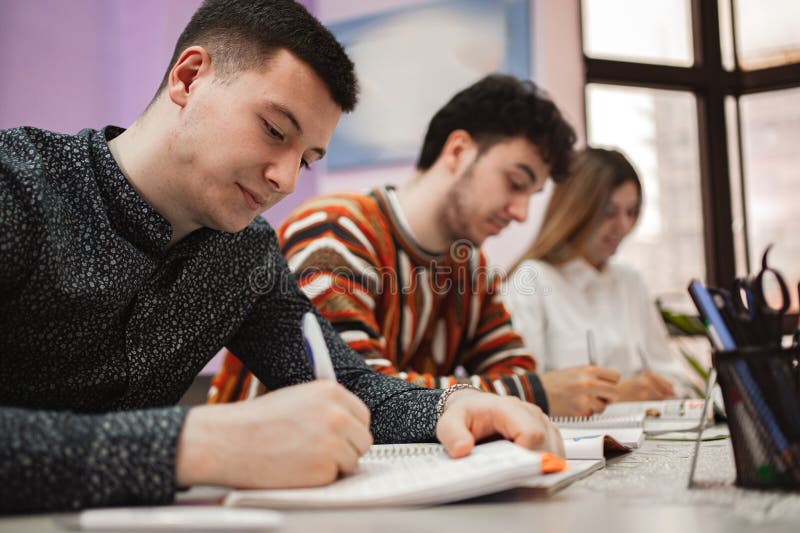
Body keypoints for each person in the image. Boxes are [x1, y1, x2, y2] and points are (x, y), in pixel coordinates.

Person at [0, 0, 563, 514]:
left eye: (309, 158)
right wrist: (195, 443)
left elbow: (350, 385)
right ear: (189, 77)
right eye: (274, 130)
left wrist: (448, 408)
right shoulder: (19, 187)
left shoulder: (244, 255)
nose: (286, 179)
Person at [210, 74, 622, 418]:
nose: (520, 213)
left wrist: (525, 388)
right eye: (516, 182)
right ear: (458, 151)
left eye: (532, 194)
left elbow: (513, 368)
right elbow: (357, 389)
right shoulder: (336, 231)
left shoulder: (469, 267)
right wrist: (535, 393)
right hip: (258, 489)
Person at [503, 147, 687, 401]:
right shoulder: (532, 280)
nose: (623, 226)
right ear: (576, 210)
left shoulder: (630, 282)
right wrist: (618, 393)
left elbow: (672, 378)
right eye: (609, 213)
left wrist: (659, 388)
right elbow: (522, 392)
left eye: (631, 212)